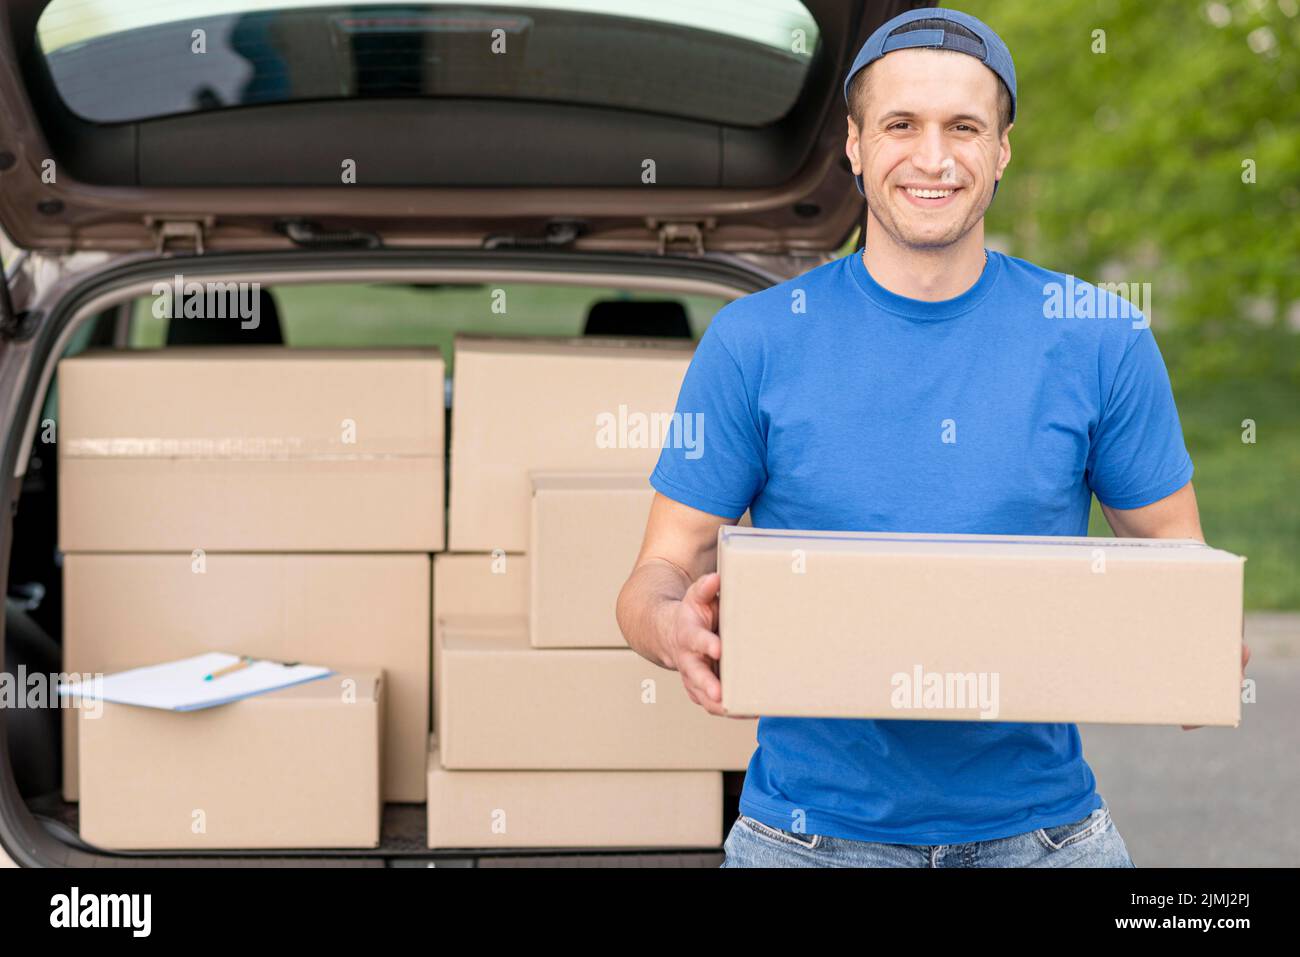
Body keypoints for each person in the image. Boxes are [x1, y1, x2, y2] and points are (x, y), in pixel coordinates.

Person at [615, 7, 1249, 868]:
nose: (934, 157)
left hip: (1044, 833)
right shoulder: (755, 341)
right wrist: (671, 624)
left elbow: (1179, 562)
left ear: (1003, 150)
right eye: (901, 124)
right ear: (853, 144)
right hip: (803, 834)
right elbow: (656, 572)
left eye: (965, 127)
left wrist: (1199, 646)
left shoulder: (1100, 336)